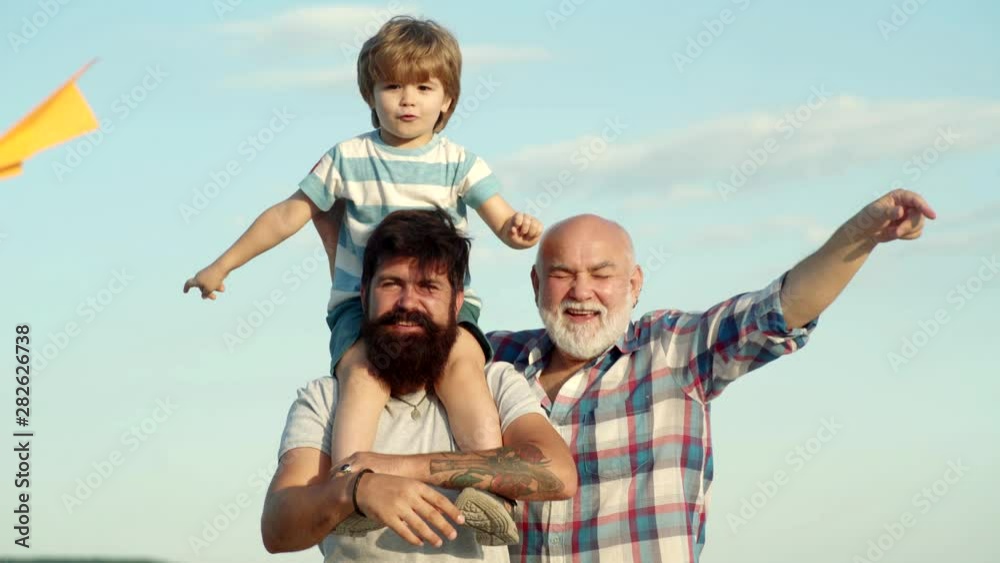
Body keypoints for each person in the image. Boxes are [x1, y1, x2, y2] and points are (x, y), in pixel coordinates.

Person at [183, 15, 543, 537]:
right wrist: (223, 264)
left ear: (448, 100)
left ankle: (491, 492)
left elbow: (501, 216)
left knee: (463, 368)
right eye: (391, 86)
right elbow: (290, 213)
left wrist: (517, 229)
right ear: (370, 94)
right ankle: (353, 486)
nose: (407, 99)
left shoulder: (459, 162)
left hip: (442, 309)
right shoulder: (349, 157)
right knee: (362, 376)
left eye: (424, 87)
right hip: (362, 306)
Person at [484, 189, 936, 562]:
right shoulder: (493, 362)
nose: (581, 292)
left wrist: (861, 234)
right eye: (562, 274)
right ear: (536, 284)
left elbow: (780, 310)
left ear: (634, 284)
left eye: (601, 275)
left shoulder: (673, 349)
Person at [261, 208, 576, 562]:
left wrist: (401, 468)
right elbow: (277, 526)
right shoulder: (324, 399)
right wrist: (357, 489)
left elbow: (558, 473)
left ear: (457, 303)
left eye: (428, 286)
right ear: (364, 296)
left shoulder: (496, 384)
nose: (408, 302)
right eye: (391, 284)